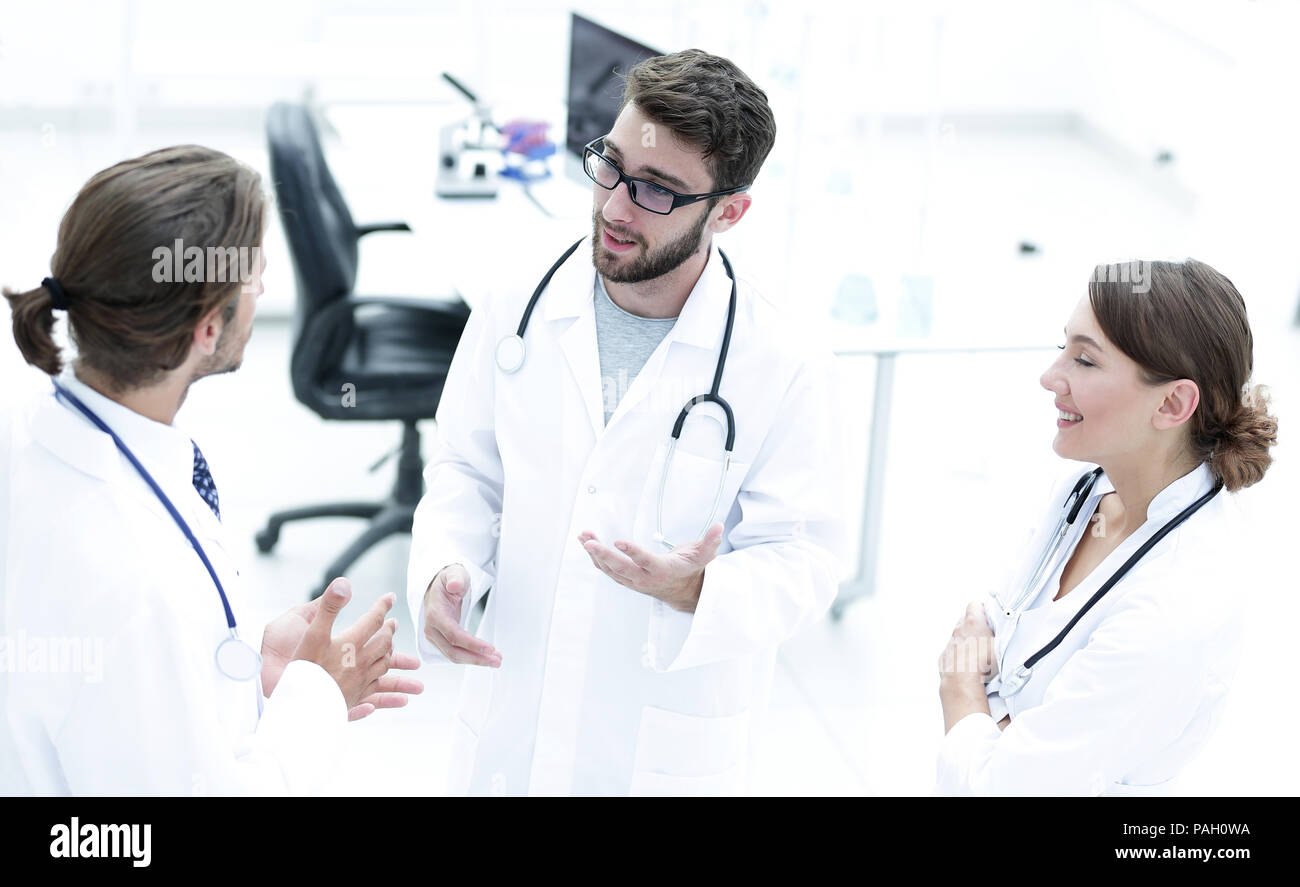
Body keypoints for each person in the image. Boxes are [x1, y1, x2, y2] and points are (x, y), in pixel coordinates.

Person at [408, 49, 843, 796]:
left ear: (729, 212)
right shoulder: (518, 296)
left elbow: (805, 562)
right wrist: (447, 565)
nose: (614, 206)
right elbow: (465, 466)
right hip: (513, 724)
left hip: (661, 742)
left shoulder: (782, 361)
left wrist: (697, 590)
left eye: (656, 191)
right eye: (609, 165)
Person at [0, 145, 423, 795]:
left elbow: (121, 693)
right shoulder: (140, 583)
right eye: (252, 275)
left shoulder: (40, 433)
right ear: (205, 330)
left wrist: (246, 659)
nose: (262, 291)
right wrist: (316, 696)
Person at [936, 259, 1278, 796]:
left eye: (1085, 361)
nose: (1050, 378)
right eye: (1063, 348)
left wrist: (959, 690)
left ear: (1171, 403)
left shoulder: (1178, 602)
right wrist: (998, 731)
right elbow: (994, 622)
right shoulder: (1087, 490)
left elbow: (998, 787)